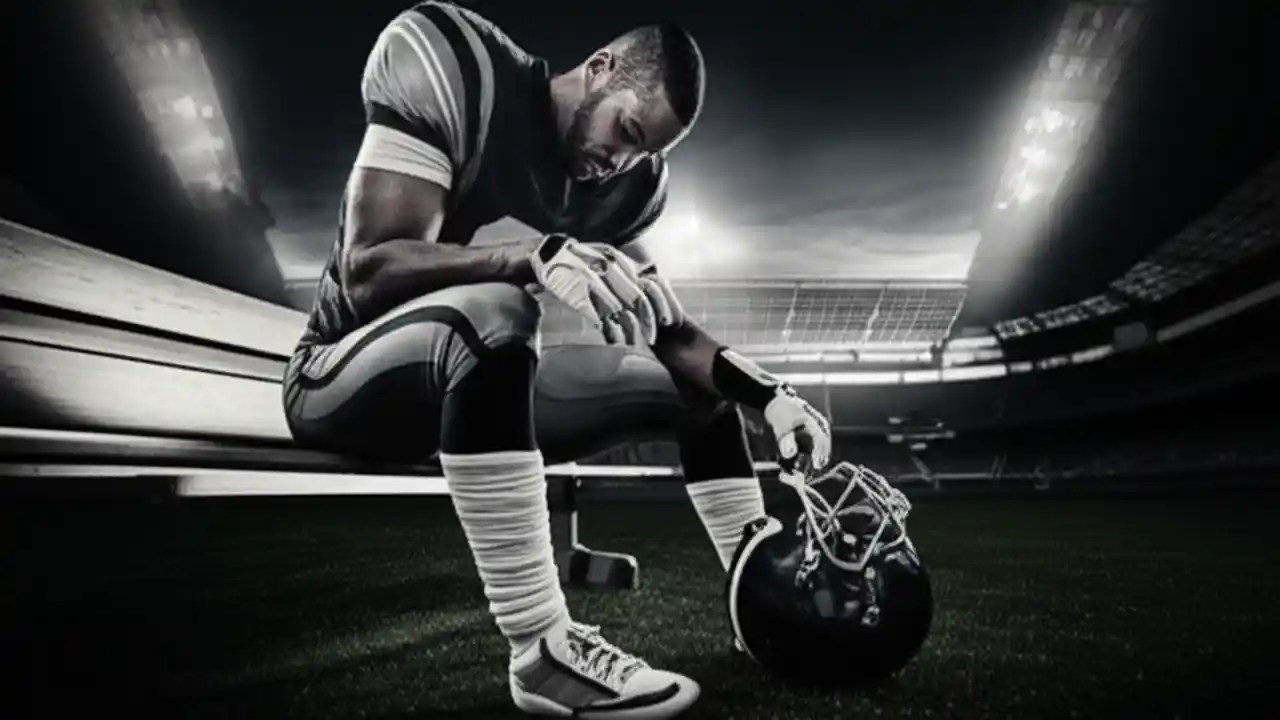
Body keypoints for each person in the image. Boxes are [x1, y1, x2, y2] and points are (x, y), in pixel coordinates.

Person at [281, 3, 831, 716]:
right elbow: (368, 270)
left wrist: (771, 395)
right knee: (498, 310)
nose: (622, 161)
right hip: (340, 374)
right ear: (600, 68)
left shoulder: (622, 185)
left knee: (690, 391)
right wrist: (529, 256)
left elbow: (670, 331)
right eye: (626, 131)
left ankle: (756, 604)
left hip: (471, 393)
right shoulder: (461, 70)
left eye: (643, 152)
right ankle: (541, 652)